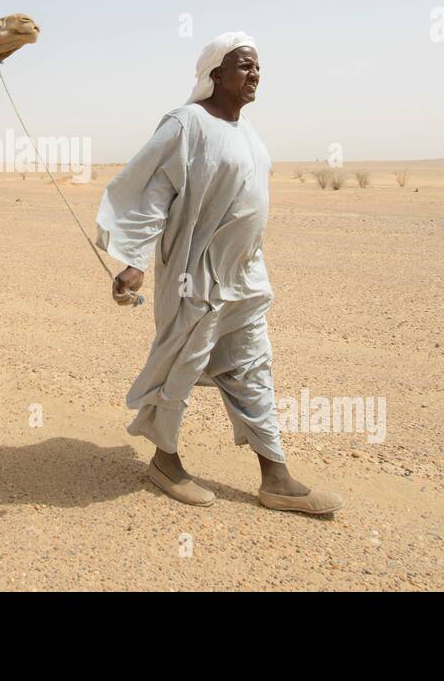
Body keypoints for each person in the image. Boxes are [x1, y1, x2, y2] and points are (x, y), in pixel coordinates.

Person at [95, 32, 344, 514]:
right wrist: (136, 261)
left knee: (253, 366)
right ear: (215, 75)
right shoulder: (186, 123)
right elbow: (153, 195)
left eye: (257, 67)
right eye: (245, 66)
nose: (255, 74)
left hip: (246, 275)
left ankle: (276, 476)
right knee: (181, 368)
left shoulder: (248, 131)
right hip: (197, 276)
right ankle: (165, 462)